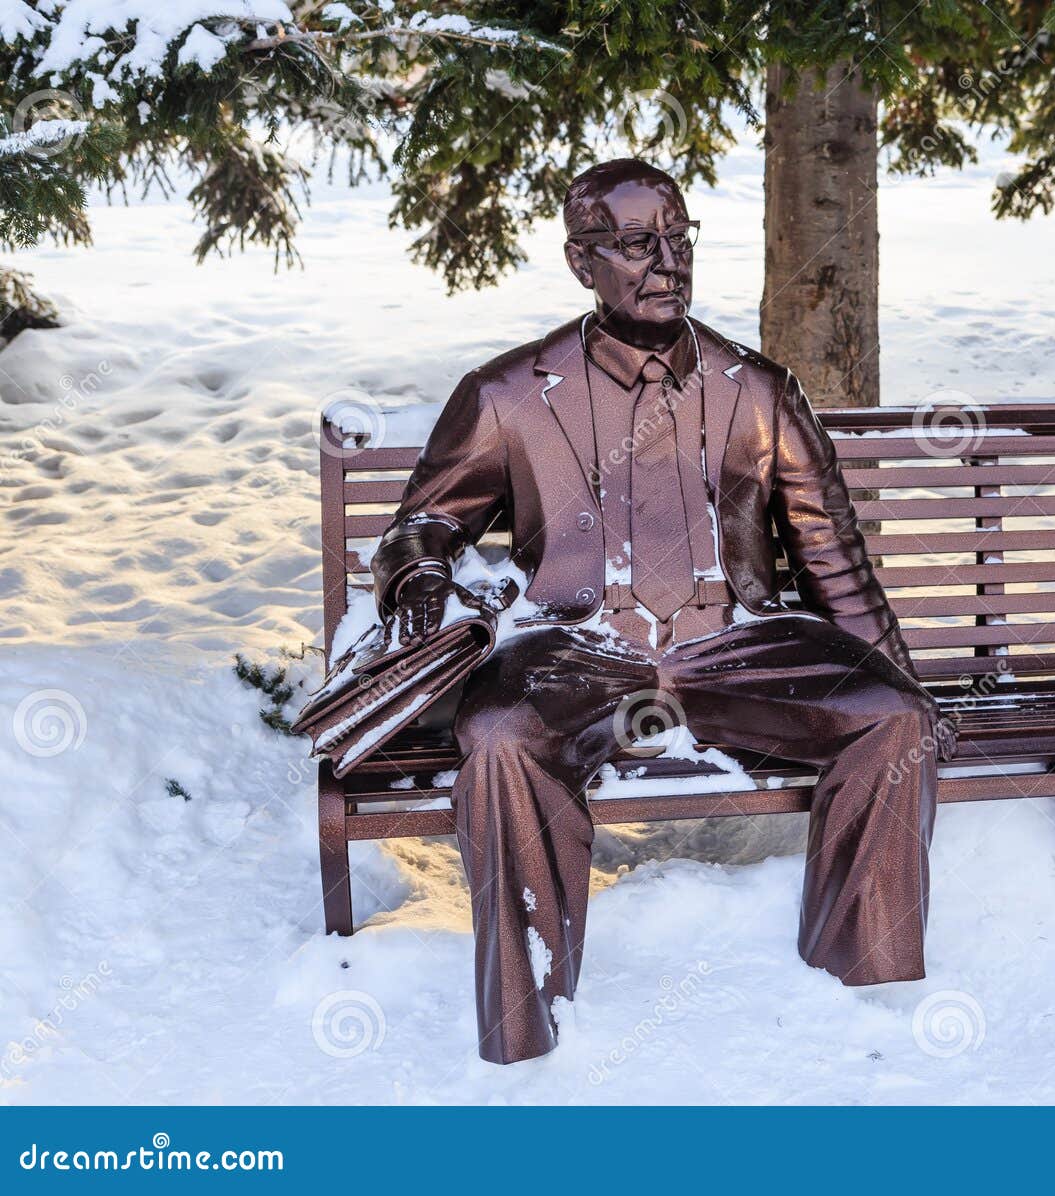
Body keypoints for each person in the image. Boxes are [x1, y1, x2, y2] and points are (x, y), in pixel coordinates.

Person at [370, 158, 950, 1064]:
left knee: (893, 721)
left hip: (736, 644)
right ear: (581, 261)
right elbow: (427, 521)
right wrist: (417, 574)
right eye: (640, 245)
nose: (668, 263)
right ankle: (528, 1021)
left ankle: (863, 989)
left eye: (679, 241)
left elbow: (832, 554)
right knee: (499, 735)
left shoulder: (758, 389)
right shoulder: (509, 394)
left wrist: (901, 681)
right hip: (578, 649)